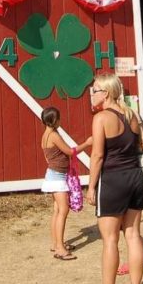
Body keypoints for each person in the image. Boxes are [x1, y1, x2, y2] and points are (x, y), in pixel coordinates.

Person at [85, 74, 143, 284]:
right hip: (134, 177)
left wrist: (91, 186)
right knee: (132, 235)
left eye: (94, 90)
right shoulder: (132, 115)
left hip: (112, 180)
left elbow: (97, 156)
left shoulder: (101, 118)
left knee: (110, 239)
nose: (91, 94)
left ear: (106, 93)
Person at [40, 106, 92, 260]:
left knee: (57, 211)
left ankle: (56, 243)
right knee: (63, 210)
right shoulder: (54, 135)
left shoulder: (45, 135)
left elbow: (48, 157)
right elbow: (70, 152)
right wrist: (87, 143)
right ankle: (60, 249)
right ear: (54, 120)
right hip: (57, 178)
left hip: (53, 175)